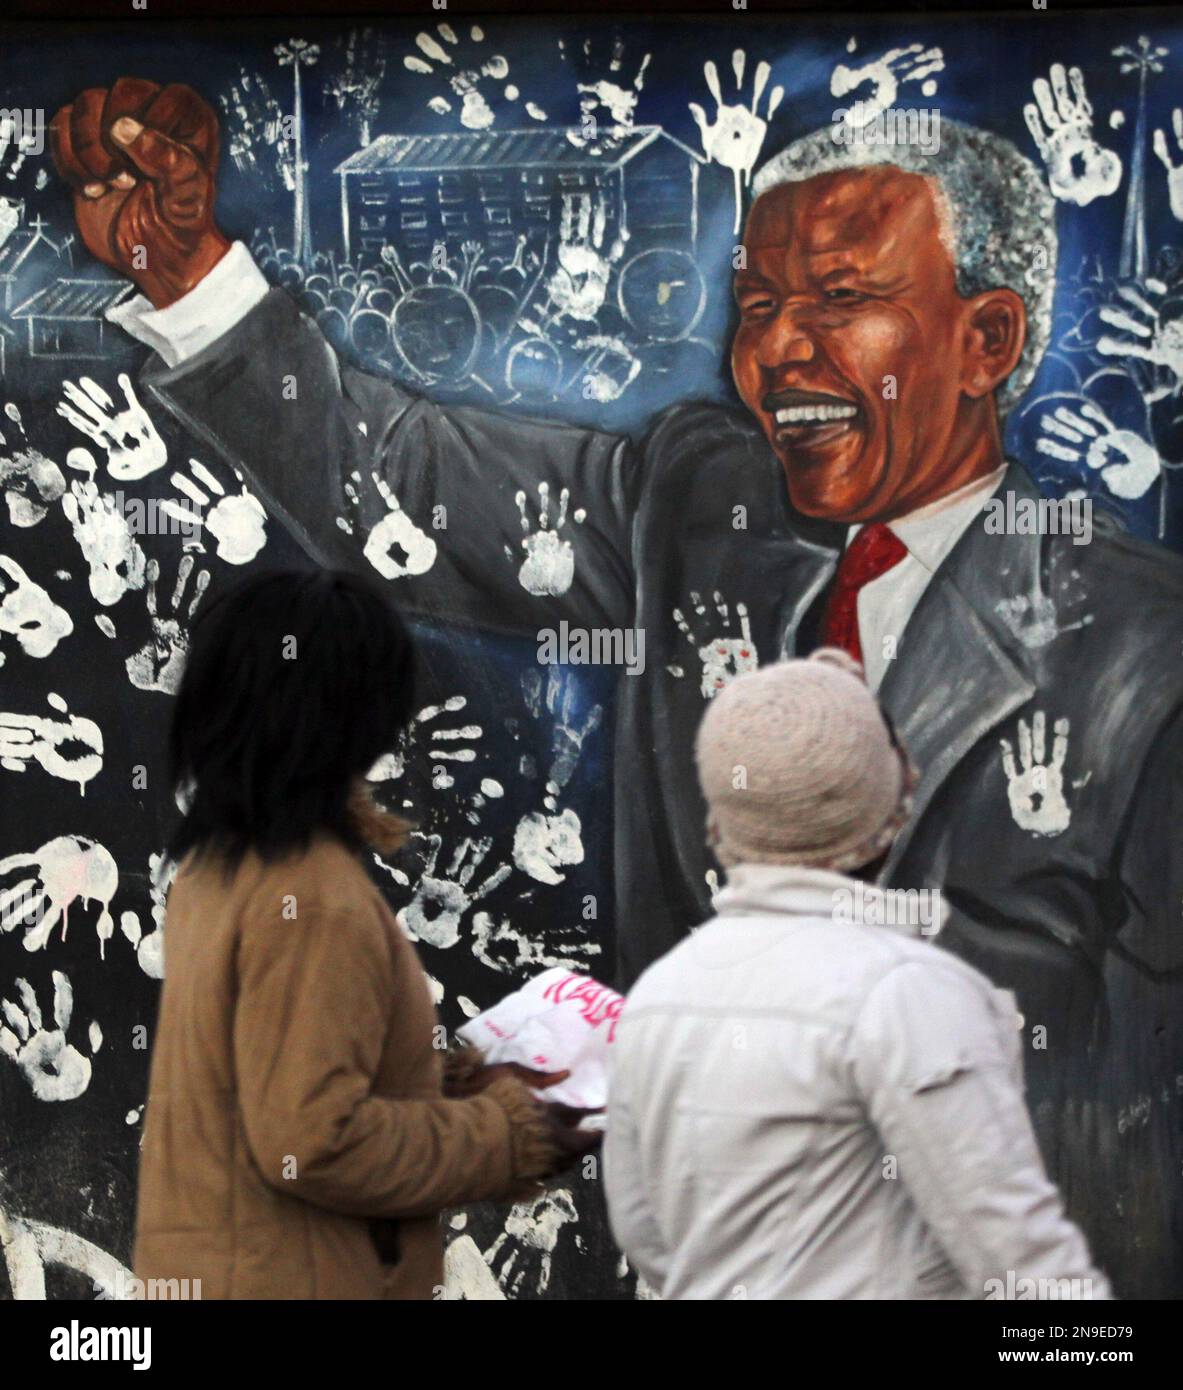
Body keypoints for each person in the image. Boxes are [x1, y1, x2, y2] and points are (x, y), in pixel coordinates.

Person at [50, 83, 1183, 1294]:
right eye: (756, 304)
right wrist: (192, 274)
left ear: (988, 341)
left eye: (842, 301)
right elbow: (406, 477)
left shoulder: (1143, 653)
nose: (776, 351)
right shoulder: (702, 503)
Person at [135, 568, 595, 1299]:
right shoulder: (312, 899)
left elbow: (292, 1083)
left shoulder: (221, 865)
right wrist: (513, 1132)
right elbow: (317, 1143)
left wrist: (467, 1077)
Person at [604, 650, 1110, 1301]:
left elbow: (645, 1235)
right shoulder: (905, 994)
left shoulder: (658, 997)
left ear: (718, 823)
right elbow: (1018, 1264)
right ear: (895, 803)